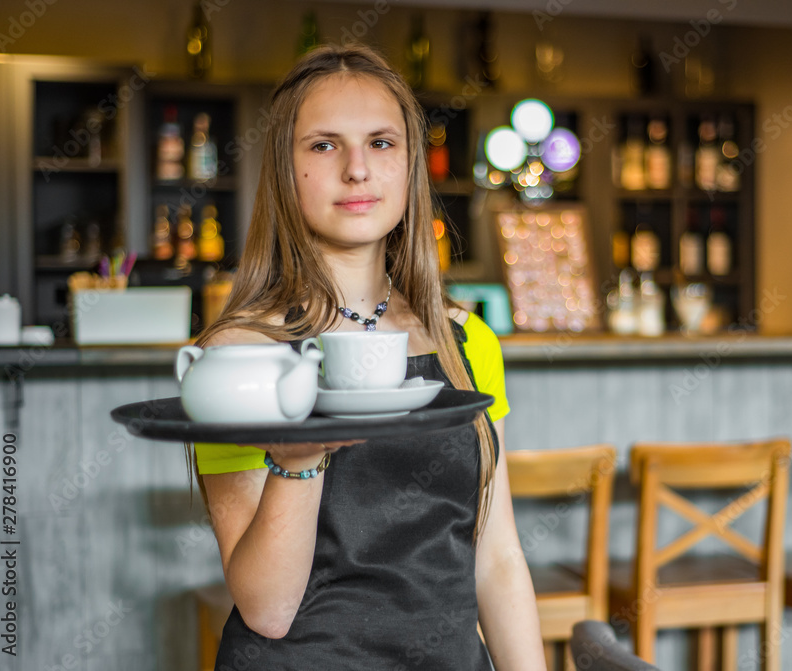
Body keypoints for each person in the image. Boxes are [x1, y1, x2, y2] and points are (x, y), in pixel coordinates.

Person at [190, 43, 546, 670]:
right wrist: (299, 460)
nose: (357, 170)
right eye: (324, 145)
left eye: (381, 143)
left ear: (410, 166)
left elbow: (496, 560)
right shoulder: (238, 357)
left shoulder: (465, 341)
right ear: (284, 169)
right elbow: (268, 609)